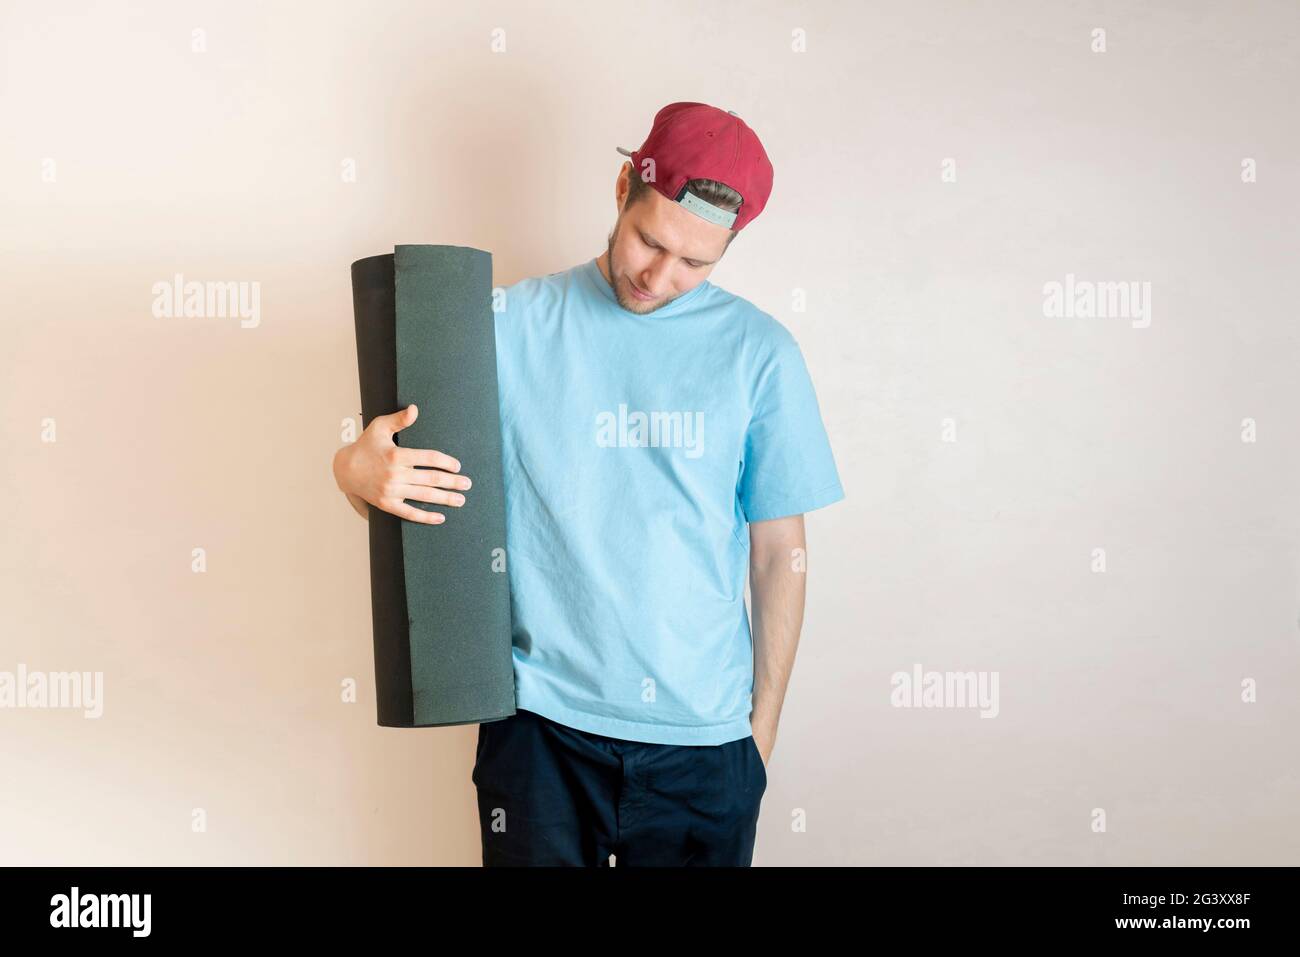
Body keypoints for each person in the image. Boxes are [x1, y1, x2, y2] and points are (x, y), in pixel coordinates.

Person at [333, 101, 845, 866]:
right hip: (540, 734)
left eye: (695, 263)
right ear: (620, 190)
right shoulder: (504, 324)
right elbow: (405, 482)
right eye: (650, 240)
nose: (659, 275)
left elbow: (780, 555)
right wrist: (353, 468)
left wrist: (758, 737)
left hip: (705, 745)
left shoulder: (762, 354)